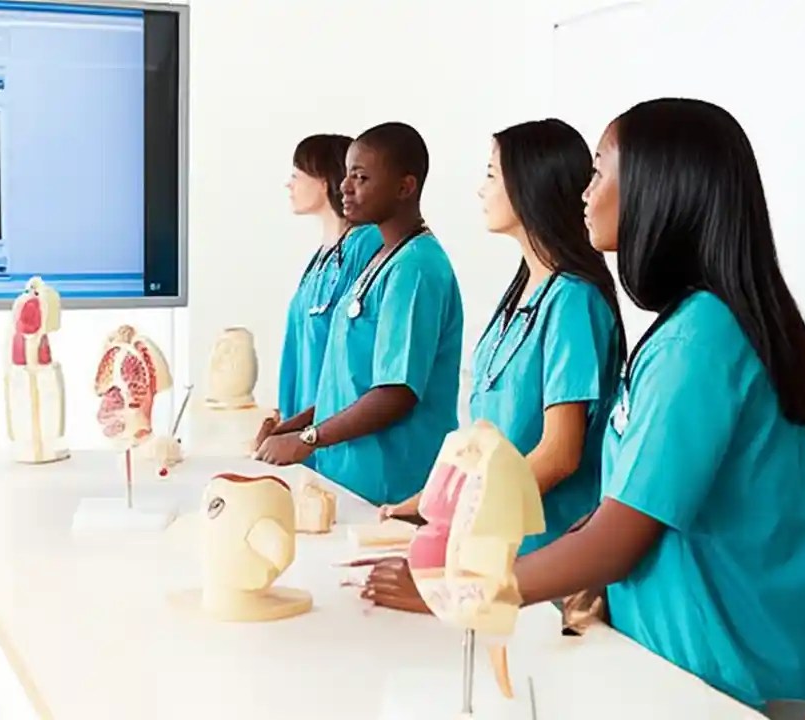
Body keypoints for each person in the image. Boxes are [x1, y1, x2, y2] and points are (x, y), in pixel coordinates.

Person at [364, 99, 805, 712]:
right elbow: (627, 501)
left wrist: (459, 588)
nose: (585, 192)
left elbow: (617, 534)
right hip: (675, 655)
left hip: (719, 675)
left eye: (600, 171)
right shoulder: (684, 329)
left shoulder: (699, 341)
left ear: (661, 188)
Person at [378, 119, 624, 555]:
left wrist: (460, 513)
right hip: (490, 542)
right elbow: (485, 443)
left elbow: (559, 454)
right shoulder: (523, 292)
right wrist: (426, 503)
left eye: (491, 174)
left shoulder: (572, 301)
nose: (481, 190)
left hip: (540, 549)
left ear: (530, 183)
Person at [256, 122, 464, 507]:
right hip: (347, 475)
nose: (345, 187)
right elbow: (352, 384)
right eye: (347, 175)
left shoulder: (416, 268)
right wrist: (294, 426)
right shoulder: (383, 260)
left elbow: (396, 392)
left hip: (391, 486)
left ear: (404, 187)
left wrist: (309, 438)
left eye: (361, 177)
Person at [271, 134, 383, 428]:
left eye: (296, 175)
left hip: (335, 430)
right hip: (301, 427)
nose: (288, 184)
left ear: (323, 181)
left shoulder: (367, 245)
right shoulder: (320, 259)